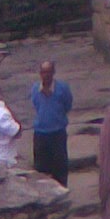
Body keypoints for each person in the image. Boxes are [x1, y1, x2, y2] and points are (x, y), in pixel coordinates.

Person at [30, 59, 73, 187]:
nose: (46, 75)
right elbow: (36, 105)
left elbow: (68, 105)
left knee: (60, 166)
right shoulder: (35, 89)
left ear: (53, 73)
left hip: (58, 131)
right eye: (43, 72)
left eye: (49, 72)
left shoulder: (62, 88)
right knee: (40, 167)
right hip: (40, 133)